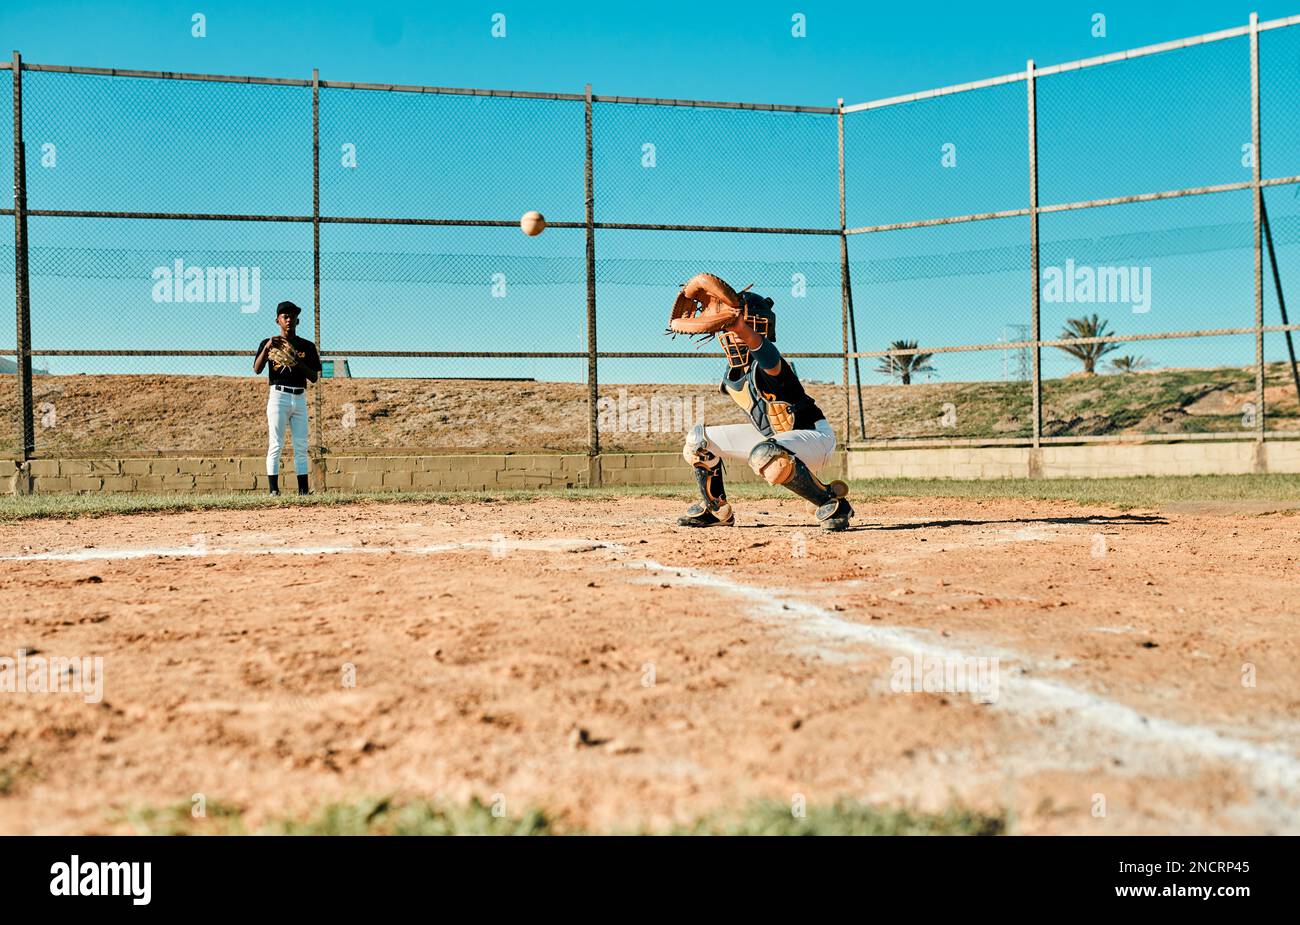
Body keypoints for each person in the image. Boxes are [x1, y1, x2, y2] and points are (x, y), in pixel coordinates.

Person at [678, 288, 853, 531]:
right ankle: (716, 509)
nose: (736, 332)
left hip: (815, 439)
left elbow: (768, 355)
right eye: (731, 325)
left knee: (766, 454)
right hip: (774, 440)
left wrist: (742, 328)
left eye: (745, 325)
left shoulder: (770, 367)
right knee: (698, 441)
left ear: (763, 329)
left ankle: (829, 501)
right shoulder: (731, 376)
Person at [253, 301, 321, 496]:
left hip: (299, 397)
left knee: (301, 446)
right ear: (278, 320)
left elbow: (314, 377)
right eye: (285, 316)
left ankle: (303, 491)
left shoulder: (306, 346)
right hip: (278, 396)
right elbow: (257, 369)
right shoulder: (269, 342)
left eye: (292, 316)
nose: (289, 319)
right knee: (276, 444)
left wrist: (297, 360)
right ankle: (274, 491)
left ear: (298, 320)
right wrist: (266, 349)